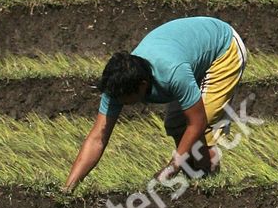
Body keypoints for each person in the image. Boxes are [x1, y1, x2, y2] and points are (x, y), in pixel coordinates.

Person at [64, 16, 248, 192]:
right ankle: (194, 183)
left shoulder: (172, 73)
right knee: (176, 126)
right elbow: (98, 137)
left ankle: (208, 186)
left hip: (223, 50)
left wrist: (172, 168)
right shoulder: (116, 84)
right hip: (188, 53)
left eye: (124, 100)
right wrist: (68, 188)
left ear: (142, 86)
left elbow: (197, 123)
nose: (119, 104)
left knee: (201, 128)